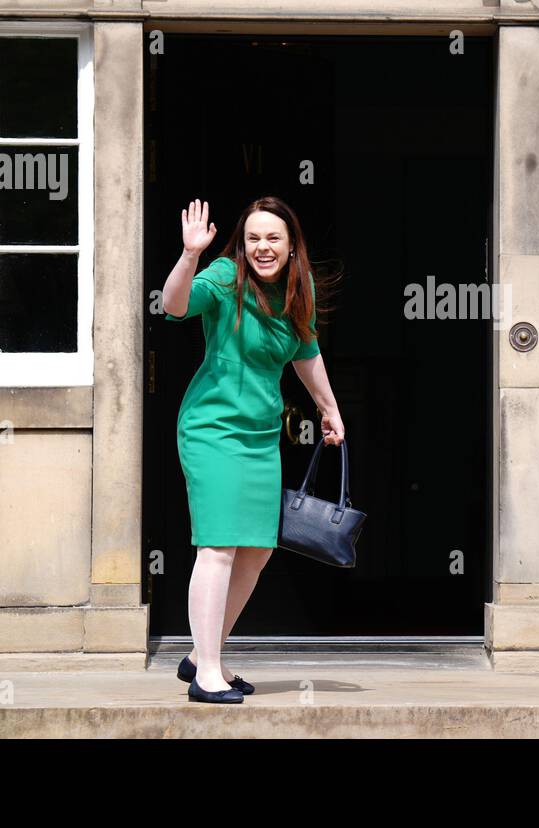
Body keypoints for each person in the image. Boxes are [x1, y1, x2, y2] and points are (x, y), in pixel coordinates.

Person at [162, 195, 344, 704]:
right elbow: (173, 305)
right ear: (242, 246)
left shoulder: (297, 287)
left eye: (273, 238)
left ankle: (203, 656)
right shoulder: (223, 277)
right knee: (218, 546)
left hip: (261, 434)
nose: (263, 247)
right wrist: (189, 254)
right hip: (212, 429)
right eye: (253, 238)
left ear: (290, 247)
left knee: (257, 551)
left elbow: (306, 351)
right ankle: (208, 675)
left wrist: (329, 408)